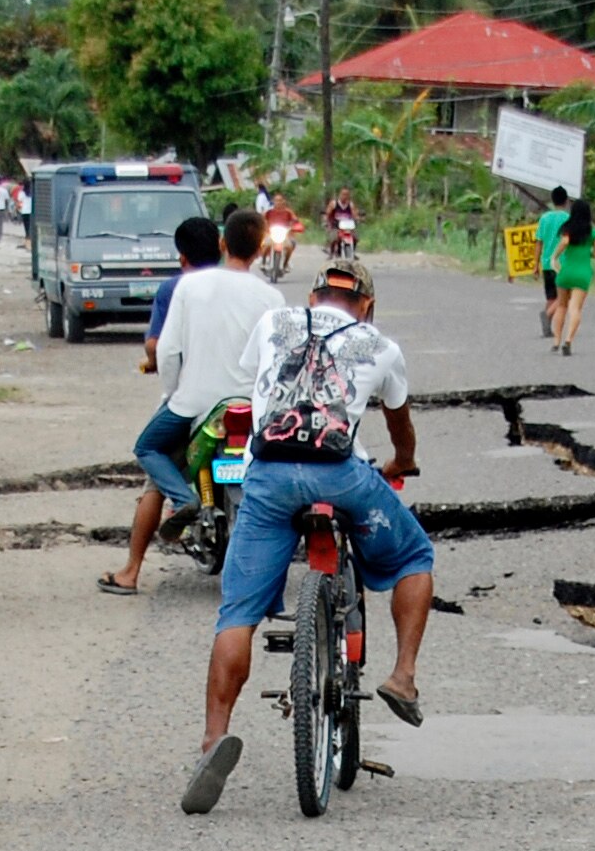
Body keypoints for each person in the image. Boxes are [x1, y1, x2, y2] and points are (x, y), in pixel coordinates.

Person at [180, 258, 431, 815]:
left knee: (237, 614)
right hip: (341, 476)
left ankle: (213, 737)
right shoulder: (379, 344)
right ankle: (403, 677)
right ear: (366, 304)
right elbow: (399, 424)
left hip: (268, 475)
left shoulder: (275, 323)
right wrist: (404, 461)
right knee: (415, 555)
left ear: (314, 296)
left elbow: (257, 383)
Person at [100, 208, 283, 597]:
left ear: (223, 244)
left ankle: (137, 564)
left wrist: (173, 392)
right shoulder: (271, 295)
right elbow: (276, 358)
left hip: (193, 404)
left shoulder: (188, 287)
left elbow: (166, 351)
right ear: (260, 249)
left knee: (147, 447)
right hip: (249, 409)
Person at [140, 214, 221, 375]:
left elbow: (154, 345)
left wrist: (151, 362)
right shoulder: (240, 285)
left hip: (187, 386)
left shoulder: (170, 288)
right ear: (220, 250)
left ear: (182, 259)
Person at [548, 197, 595, 357]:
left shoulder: (567, 228)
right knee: (575, 308)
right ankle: (568, 340)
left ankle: (556, 341)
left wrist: (554, 257)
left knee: (561, 306)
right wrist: (588, 253)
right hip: (582, 274)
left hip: (566, 272)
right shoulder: (592, 232)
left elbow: (564, 242)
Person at [532, 187, 570, 341]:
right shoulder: (568, 218)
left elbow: (538, 243)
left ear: (552, 200)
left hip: (546, 263)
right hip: (561, 263)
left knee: (551, 297)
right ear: (566, 201)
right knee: (565, 297)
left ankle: (547, 328)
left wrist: (536, 264)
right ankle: (547, 315)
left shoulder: (544, 218)